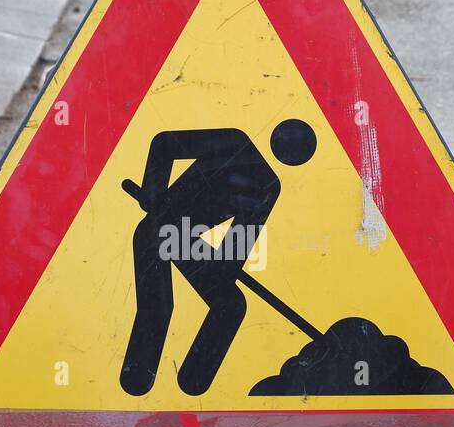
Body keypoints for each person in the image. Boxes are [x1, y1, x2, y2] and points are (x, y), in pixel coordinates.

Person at [120, 119, 316, 396]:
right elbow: (164, 144)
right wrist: (153, 189)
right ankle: (137, 377)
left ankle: (193, 382)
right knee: (158, 307)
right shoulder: (235, 141)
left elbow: (236, 247)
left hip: (183, 240)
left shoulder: (269, 186)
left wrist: (224, 271)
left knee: (230, 304)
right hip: (155, 232)